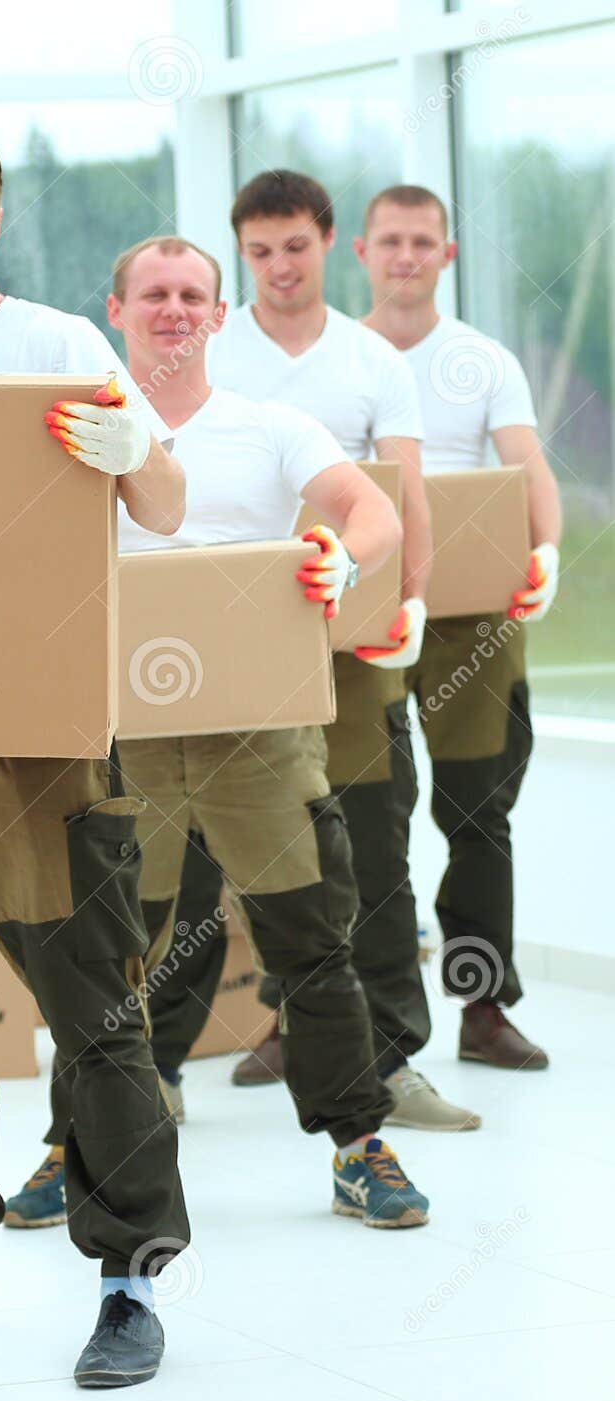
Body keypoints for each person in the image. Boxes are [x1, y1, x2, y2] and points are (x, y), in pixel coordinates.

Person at [9, 235, 433, 1230]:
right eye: (152, 294)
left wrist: (344, 557)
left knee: (314, 943)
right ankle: (74, 1146)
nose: (172, 310)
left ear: (218, 313)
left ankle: (358, 1143)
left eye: (191, 295)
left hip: (262, 734)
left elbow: (375, 512)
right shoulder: (82, 433)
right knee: (108, 960)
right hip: (126, 738)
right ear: (115, 310)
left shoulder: (271, 426)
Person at [0, 127, 191, 1387]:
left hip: (50, 749)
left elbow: (163, 507)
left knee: (99, 1020)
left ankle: (128, 1284)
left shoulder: (61, 344)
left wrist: (137, 451)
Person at [146, 170, 479, 1133]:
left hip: (348, 625)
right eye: (258, 252)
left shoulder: (371, 358)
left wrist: (408, 599)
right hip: (213, 650)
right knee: (190, 865)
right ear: (236, 260)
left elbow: (401, 493)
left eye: (294, 246)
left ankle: (387, 1062)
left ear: (327, 243)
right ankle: (162, 1064)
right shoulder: (211, 342)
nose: (279, 267)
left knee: (367, 843)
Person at [356, 183, 560, 1069]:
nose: (405, 255)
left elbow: (528, 468)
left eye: (422, 242)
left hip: (470, 616)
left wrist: (544, 552)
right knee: (353, 818)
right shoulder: (337, 356)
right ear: (359, 253)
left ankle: (483, 1011)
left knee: (476, 813)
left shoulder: (481, 359)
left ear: (446, 255)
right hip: (364, 607)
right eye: (389, 241)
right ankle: (327, 1020)